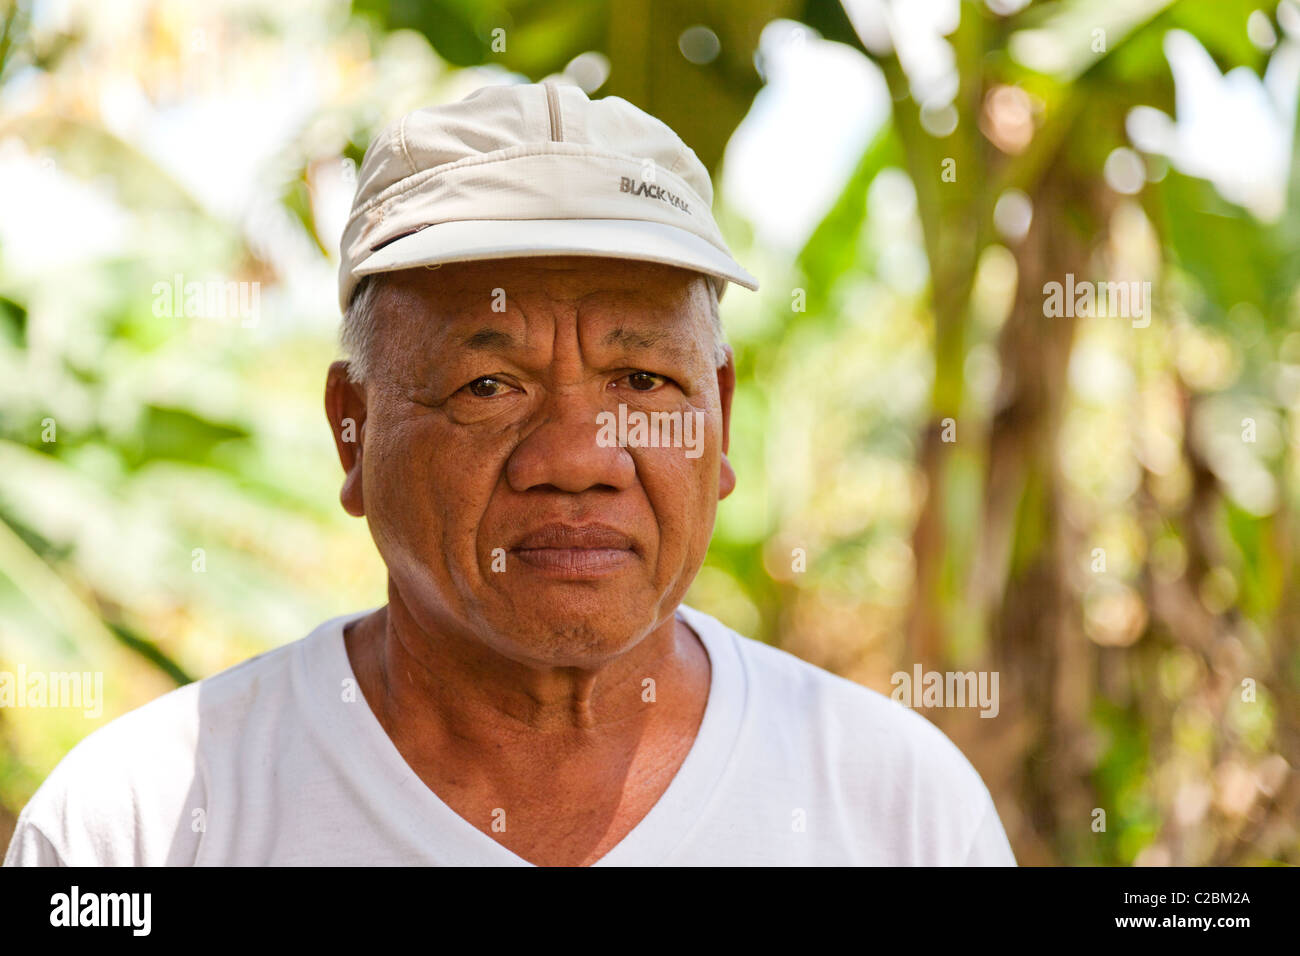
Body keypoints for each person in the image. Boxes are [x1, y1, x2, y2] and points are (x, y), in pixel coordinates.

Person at [4, 80, 1015, 866]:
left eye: (642, 378)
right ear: (351, 431)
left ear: (722, 420)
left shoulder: (898, 809)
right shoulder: (138, 826)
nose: (577, 455)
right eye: (488, 383)